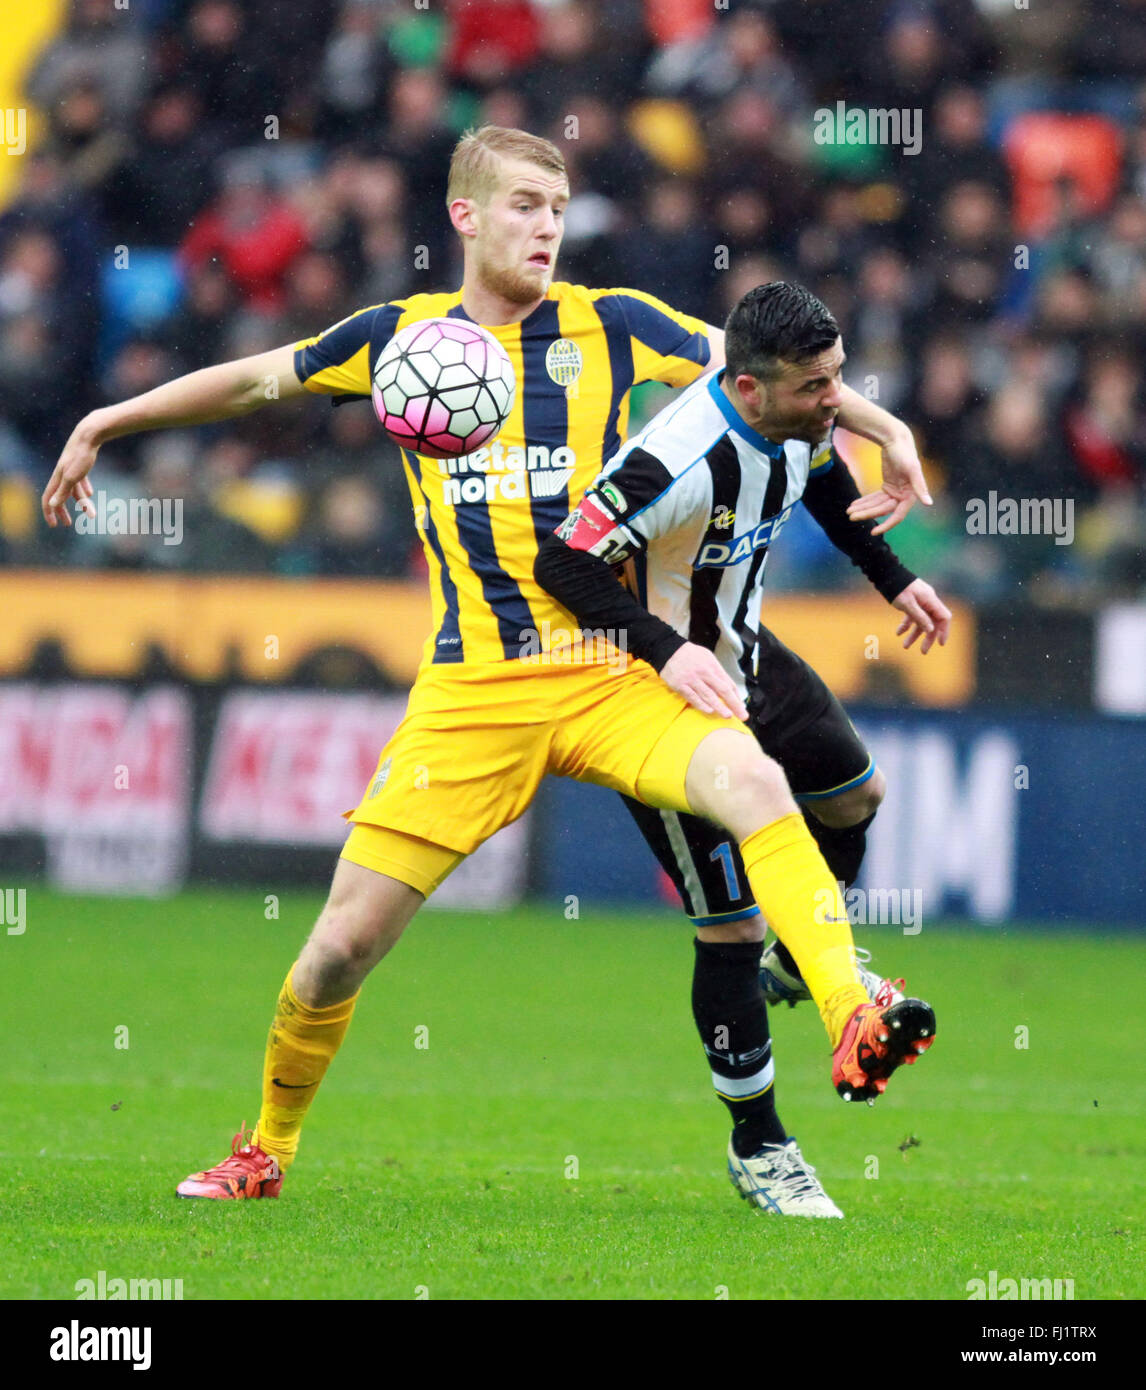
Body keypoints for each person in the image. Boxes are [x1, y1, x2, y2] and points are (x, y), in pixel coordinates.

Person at [41, 127, 934, 1210]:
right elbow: (258, 383)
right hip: (474, 687)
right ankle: (266, 1147)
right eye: (522, 205)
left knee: (753, 786)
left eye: (556, 207)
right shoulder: (398, 338)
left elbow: (768, 372)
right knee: (337, 950)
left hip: (613, 661)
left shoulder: (612, 324)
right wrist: (108, 419)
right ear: (465, 216)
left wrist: (882, 424)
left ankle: (849, 1008)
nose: (545, 226)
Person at [536, 280, 951, 1215]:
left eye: (840, 376)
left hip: (751, 659)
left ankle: (807, 972)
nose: (835, 399)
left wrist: (893, 578)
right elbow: (559, 560)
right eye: (817, 387)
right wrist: (666, 649)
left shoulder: (795, 422)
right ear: (752, 390)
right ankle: (760, 1146)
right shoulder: (673, 460)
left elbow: (818, 471)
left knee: (857, 800)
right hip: (664, 699)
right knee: (729, 927)